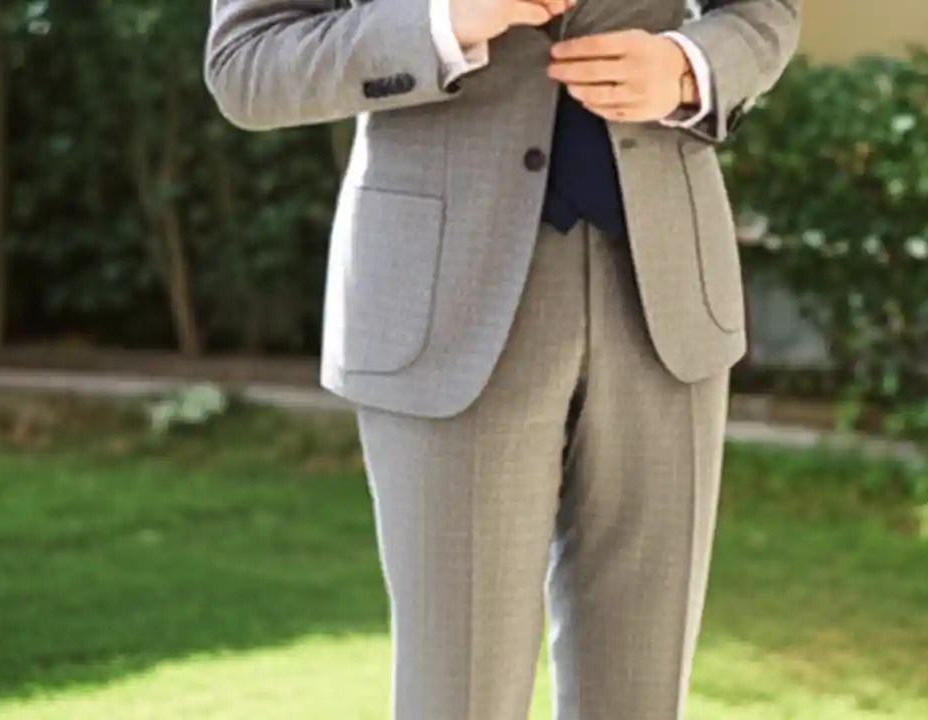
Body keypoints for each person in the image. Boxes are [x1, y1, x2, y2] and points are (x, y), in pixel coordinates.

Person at [204, 0, 800, 717]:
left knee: (642, 696)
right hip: (446, 301)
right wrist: (444, 20)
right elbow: (247, 64)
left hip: (666, 292)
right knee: (460, 697)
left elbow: (764, 11)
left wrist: (688, 66)